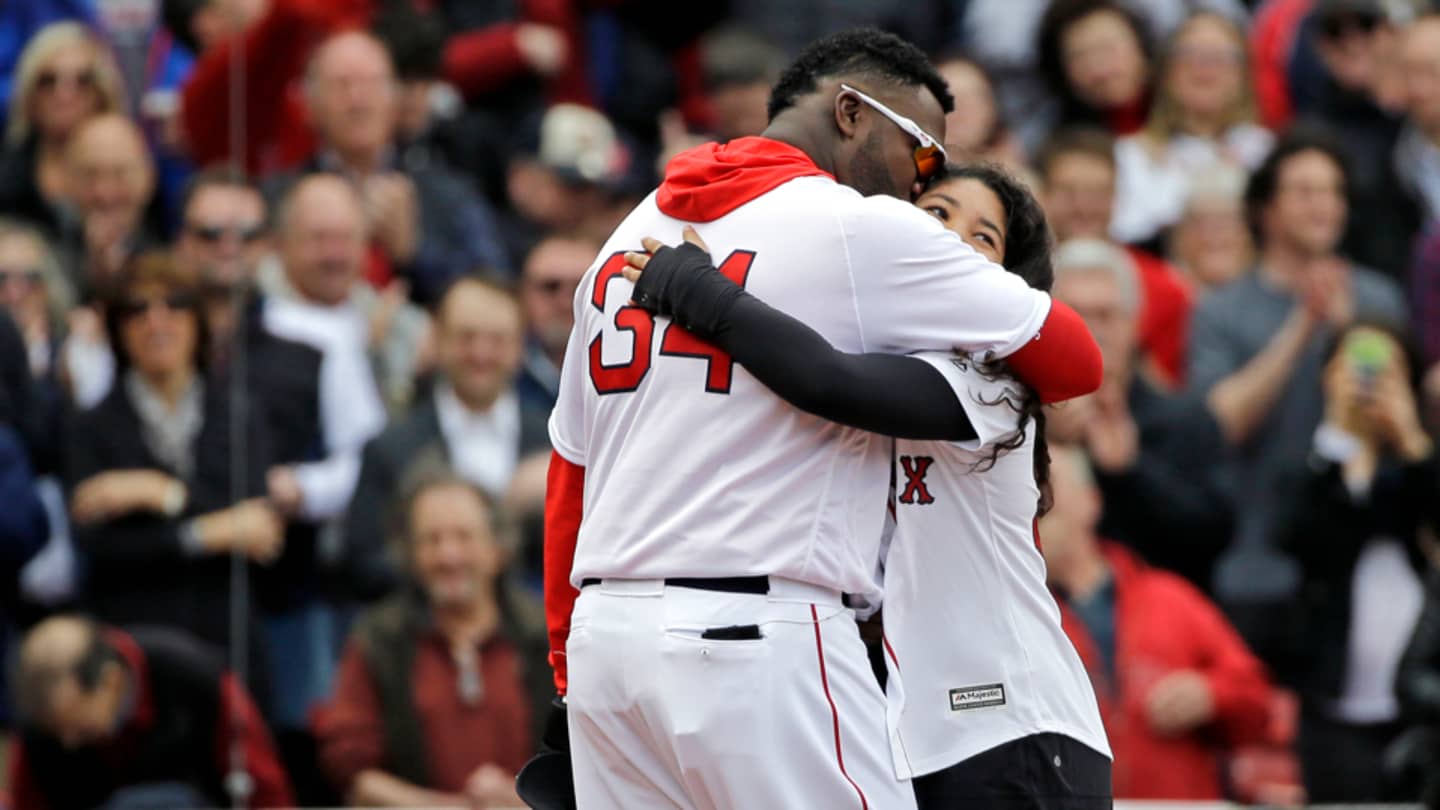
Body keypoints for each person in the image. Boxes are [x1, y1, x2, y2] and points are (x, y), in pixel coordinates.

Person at [542, 28, 1100, 809]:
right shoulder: (858, 230)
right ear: (850, 113)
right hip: (761, 638)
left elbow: (571, 473)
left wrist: (569, 667)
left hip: (616, 645)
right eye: (924, 156)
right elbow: (1076, 357)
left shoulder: (621, 240)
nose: (920, 185)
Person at [621, 161, 1113, 807]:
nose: (952, 238)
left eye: (984, 236)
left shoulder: (991, 383)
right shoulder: (860, 361)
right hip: (897, 734)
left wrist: (703, 293)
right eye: (937, 214)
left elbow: (829, 382)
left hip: (1009, 725)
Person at [1187, 129, 1408, 649]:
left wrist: (1350, 336)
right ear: (1264, 208)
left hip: (1364, 567)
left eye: (1333, 192)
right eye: (1305, 191)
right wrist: (1303, 327)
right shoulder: (1222, 309)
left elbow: (1402, 430)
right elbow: (1220, 424)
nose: (1324, 206)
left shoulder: (1379, 299)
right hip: (1255, 568)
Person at [62, 252, 280, 698]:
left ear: (198, 320)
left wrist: (161, 495)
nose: (157, 323)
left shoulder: (238, 413)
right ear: (118, 329)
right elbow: (100, 548)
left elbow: (259, 529)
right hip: (132, 651)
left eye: (175, 305)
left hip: (229, 645)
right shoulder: (90, 426)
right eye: (137, 310)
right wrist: (210, 530)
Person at [1039, 443, 1276, 799]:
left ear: (1091, 501)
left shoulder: (1170, 598)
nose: (1032, 500)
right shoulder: (1019, 619)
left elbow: (1258, 703)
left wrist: (1210, 695)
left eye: (1045, 487)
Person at [1271, 320, 1434, 802]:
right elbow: (1302, 539)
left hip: (1424, 713)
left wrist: (1410, 439)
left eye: (1388, 371)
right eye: (1356, 369)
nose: (1371, 384)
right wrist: (1340, 440)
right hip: (1333, 709)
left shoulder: (1423, 465)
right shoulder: (1311, 465)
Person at [318, 472, 541, 808]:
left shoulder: (546, 634)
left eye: (463, 537)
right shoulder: (380, 639)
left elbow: (587, 758)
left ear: (498, 549)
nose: (448, 556)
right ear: (410, 555)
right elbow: (354, 774)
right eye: (431, 540)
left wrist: (526, 800)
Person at [343, 276, 551, 598]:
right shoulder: (391, 447)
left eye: (497, 340)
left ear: (519, 347)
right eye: (466, 337)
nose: (481, 354)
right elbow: (361, 562)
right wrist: (441, 562)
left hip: (535, 636)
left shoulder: (556, 444)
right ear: (437, 341)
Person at [267, 30, 508, 307]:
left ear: (395, 99)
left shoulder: (450, 194)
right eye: (341, 85)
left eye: (371, 84)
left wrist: (414, 252)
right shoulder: (279, 196)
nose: (357, 100)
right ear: (309, 104)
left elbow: (495, 295)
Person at [1044, 238, 1232, 591]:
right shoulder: (1013, 420)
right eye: (1077, 314)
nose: (1092, 330)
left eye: (1106, 315)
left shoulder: (1185, 419)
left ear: (1134, 324)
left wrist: (1129, 472)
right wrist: (1045, 441)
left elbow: (1213, 536)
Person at [6, 616, 292, 809]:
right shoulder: (39, 728)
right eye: (57, 732)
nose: (69, 742)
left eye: (79, 728)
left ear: (110, 681)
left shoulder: (193, 680)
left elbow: (264, 785)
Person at [1036, 127, 1193, 387]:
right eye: (1068, 191)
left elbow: (1170, 394)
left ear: (1117, 197)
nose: (1083, 207)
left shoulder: (1166, 289)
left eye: (1098, 193)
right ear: (1043, 195)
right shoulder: (1014, 280)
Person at [1111, 12, 1274, 246]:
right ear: (1166, 72)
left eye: (1221, 57)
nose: (1205, 68)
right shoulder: (1128, 156)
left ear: (1242, 75)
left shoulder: (1265, 153)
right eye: (1190, 55)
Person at [0, 22, 128, 241]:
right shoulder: (7, 174)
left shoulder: (130, 160)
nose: (65, 94)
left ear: (102, 93)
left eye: (82, 80)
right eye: (49, 81)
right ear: (29, 95)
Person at [1036, 0, 1155, 136]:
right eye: (1079, 57)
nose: (1099, 69)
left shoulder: (1179, 113)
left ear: (1141, 46)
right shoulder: (1063, 144)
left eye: (1107, 48)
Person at [516, 234, 596, 414]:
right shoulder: (498, 371)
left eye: (581, 288)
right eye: (551, 287)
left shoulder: (631, 376)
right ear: (523, 294)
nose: (565, 302)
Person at [1167, 164, 1254, 294]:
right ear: (1180, 237)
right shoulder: (1160, 296)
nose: (1212, 234)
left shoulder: (1284, 295)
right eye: (1200, 222)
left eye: (1226, 221)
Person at [935, 54, 1026, 168]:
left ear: (993, 110)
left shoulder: (1015, 175)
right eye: (945, 99)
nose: (958, 111)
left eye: (970, 101)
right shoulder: (909, 173)